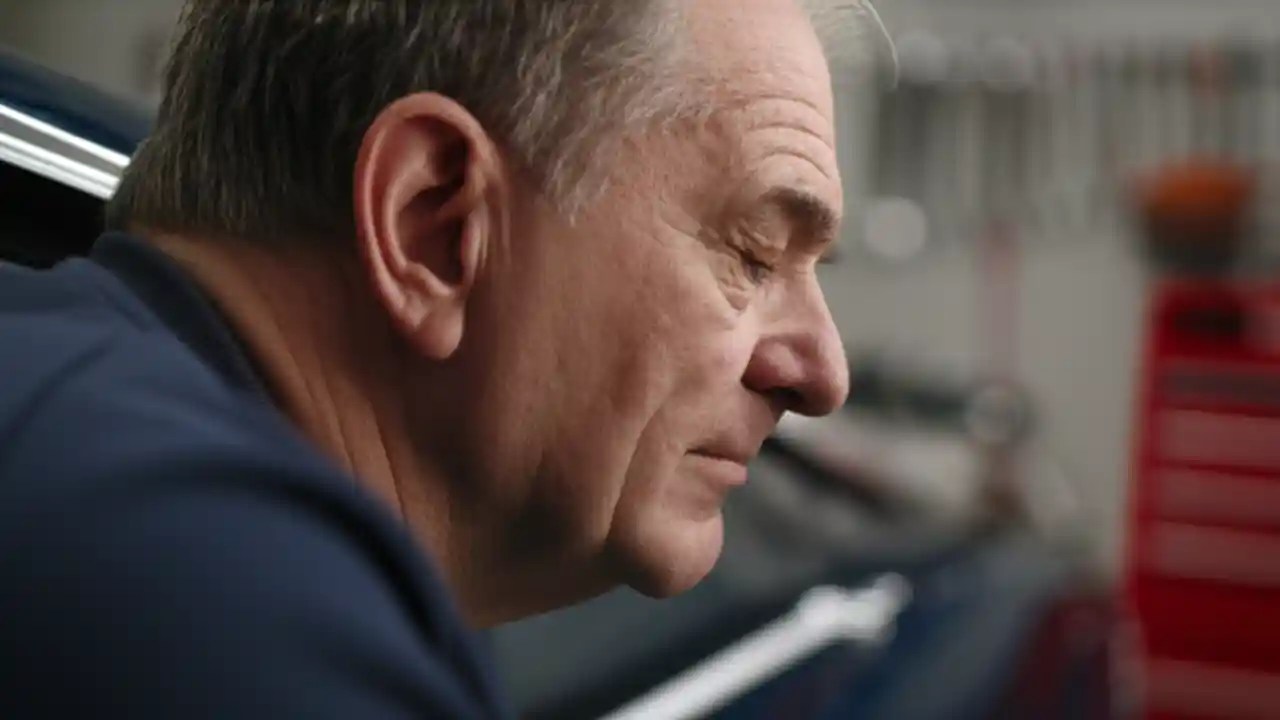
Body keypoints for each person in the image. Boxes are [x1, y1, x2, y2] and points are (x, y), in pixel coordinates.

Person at [0, 0, 865, 716]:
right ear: (437, 224)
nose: (823, 374)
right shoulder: (220, 603)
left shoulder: (78, 439)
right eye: (751, 254)